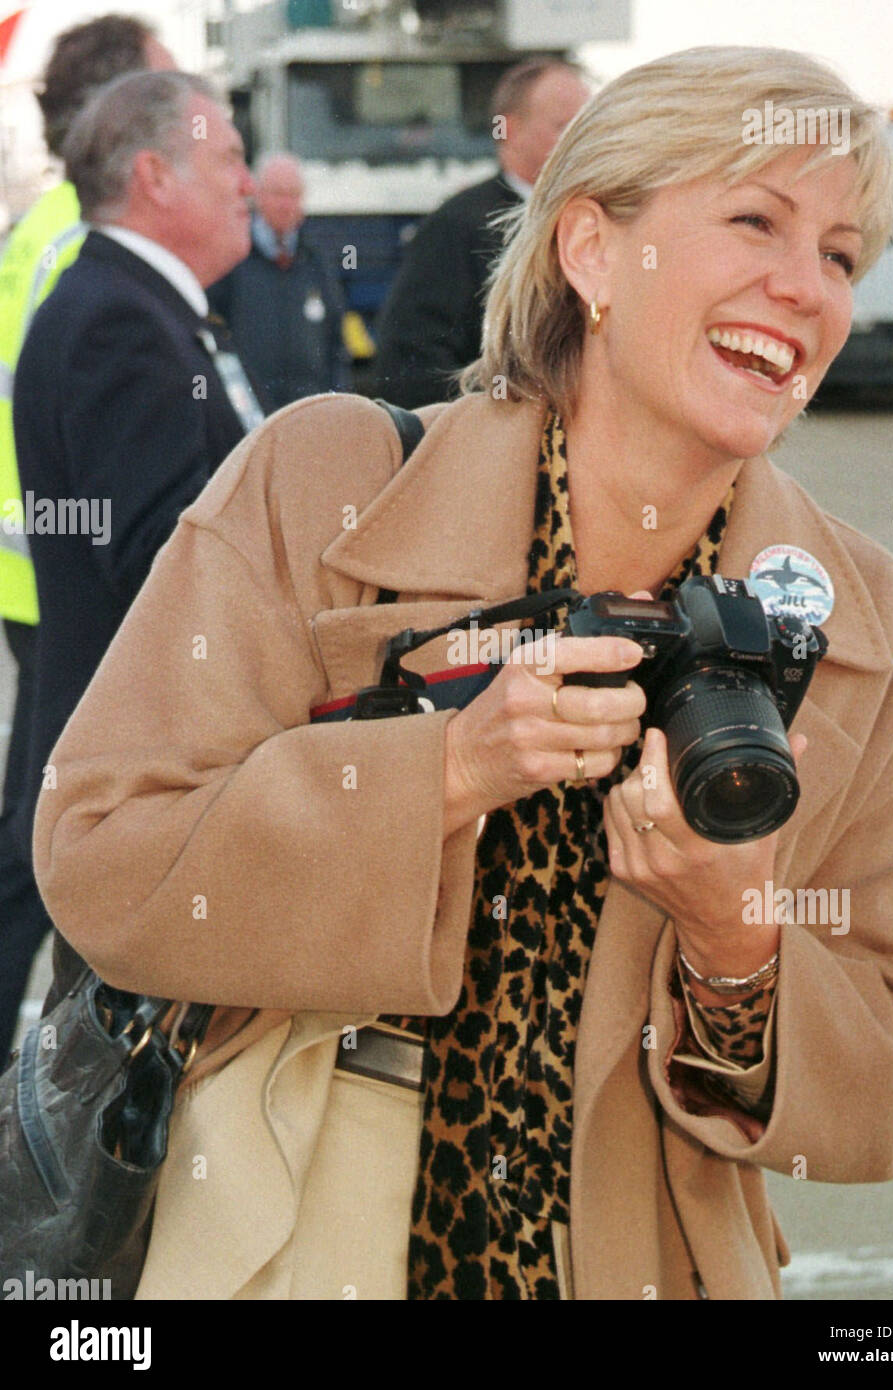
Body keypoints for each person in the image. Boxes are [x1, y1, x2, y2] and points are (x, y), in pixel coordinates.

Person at [33, 48, 893, 1301]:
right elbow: (106, 859)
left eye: (839, 256)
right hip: (299, 1225)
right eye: (755, 220)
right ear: (590, 250)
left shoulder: (863, 623)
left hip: (647, 1247)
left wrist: (735, 939)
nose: (803, 287)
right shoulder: (323, 485)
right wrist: (442, 770)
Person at [14, 70, 260, 1012]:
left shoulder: (134, 307)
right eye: (230, 155)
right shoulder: (121, 320)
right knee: (128, 1109)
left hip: (142, 774)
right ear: (156, 175)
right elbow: (168, 557)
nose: (247, 179)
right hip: (148, 782)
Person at [0, 13, 174, 1064]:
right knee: (48, 838)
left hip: (37, 562)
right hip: (58, 572)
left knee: (42, 829)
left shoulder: (54, 222)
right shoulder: (80, 232)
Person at [373, 58, 589, 408]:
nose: (581, 142)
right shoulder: (456, 226)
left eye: (588, 127)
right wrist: (499, 420)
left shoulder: (597, 226)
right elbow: (411, 362)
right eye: (564, 126)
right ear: (510, 130)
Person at [208, 152, 352, 411]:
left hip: (308, 418)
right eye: (277, 194)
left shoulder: (317, 263)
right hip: (249, 416)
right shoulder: (230, 259)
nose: (286, 204)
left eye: (293, 195)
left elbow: (336, 345)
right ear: (257, 195)